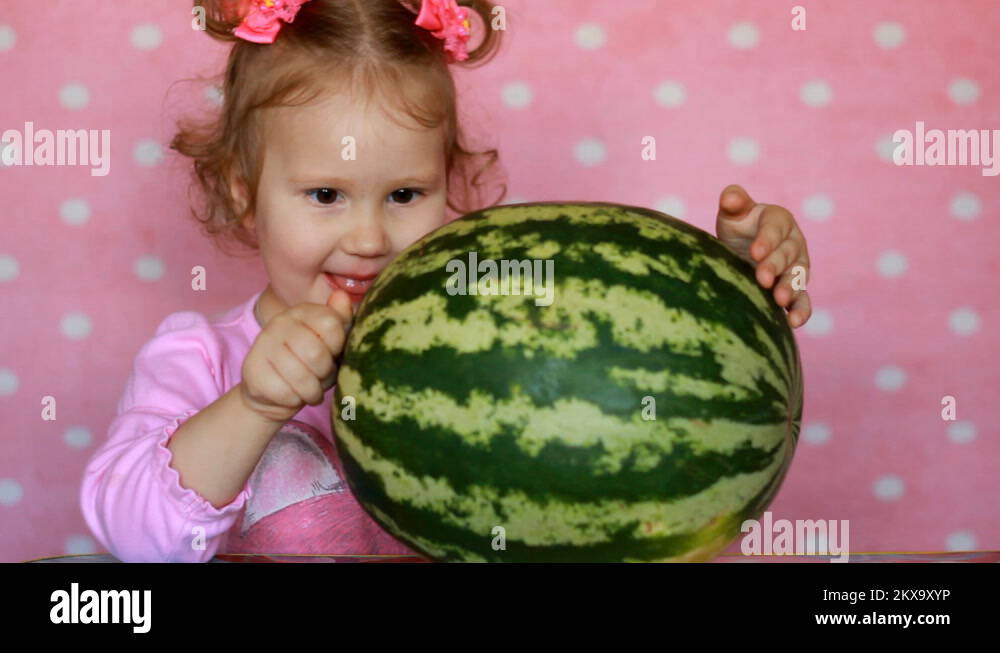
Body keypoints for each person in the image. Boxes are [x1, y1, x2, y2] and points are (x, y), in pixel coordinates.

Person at [80, 0, 812, 563]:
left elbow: (613, 377)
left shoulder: (495, 316)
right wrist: (253, 403)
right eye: (326, 195)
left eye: (404, 195)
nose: (368, 240)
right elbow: (133, 535)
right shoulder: (199, 359)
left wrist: (735, 289)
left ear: (449, 183)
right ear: (245, 190)